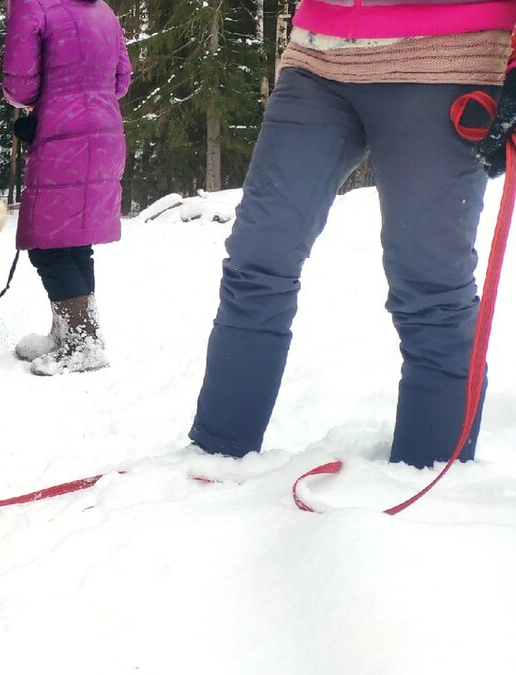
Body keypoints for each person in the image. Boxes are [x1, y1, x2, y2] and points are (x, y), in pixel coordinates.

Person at [189, 1, 516, 468]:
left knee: (430, 286)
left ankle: (427, 487)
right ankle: (212, 462)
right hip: (318, 57)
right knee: (258, 258)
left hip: (449, 54)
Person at [2, 0, 132, 376]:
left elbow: (20, 86)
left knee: (48, 246)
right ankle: (67, 332)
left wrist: (49, 102)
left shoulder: (33, 5)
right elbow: (121, 80)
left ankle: (83, 341)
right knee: (74, 241)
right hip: (105, 129)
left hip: (63, 134)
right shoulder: (103, 10)